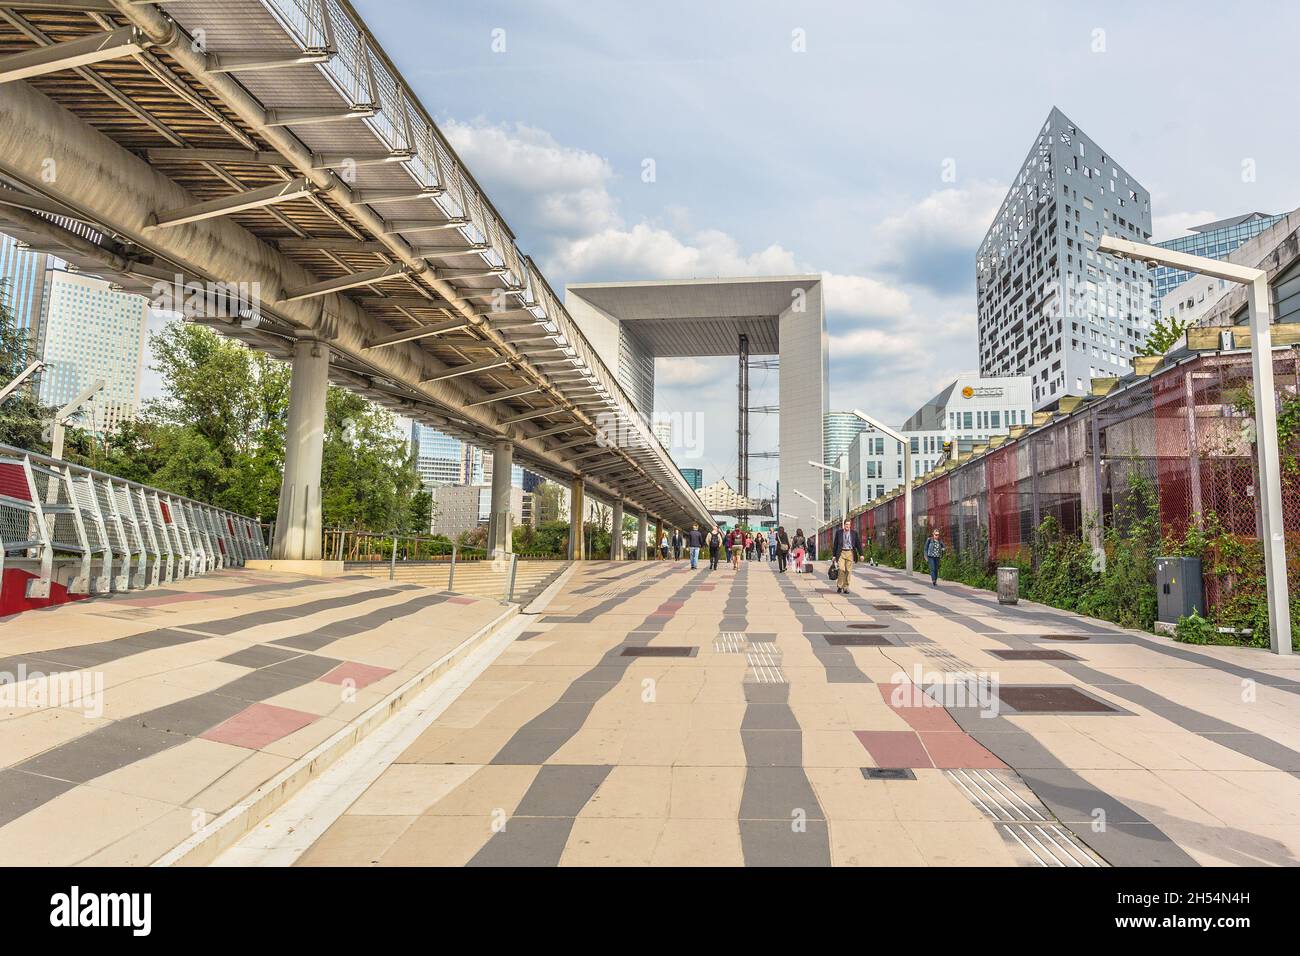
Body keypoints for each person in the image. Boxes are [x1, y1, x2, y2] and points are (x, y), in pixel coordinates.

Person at [831, 517, 862, 594]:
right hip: (841, 552)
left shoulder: (854, 533)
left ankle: (846, 587)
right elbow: (835, 544)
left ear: (850, 525)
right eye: (846, 524)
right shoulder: (839, 533)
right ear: (844, 525)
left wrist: (861, 554)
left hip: (850, 553)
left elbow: (858, 544)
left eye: (849, 524)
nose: (847, 526)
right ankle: (839, 586)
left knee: (848, 571)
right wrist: (834, 555)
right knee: (841, 569)